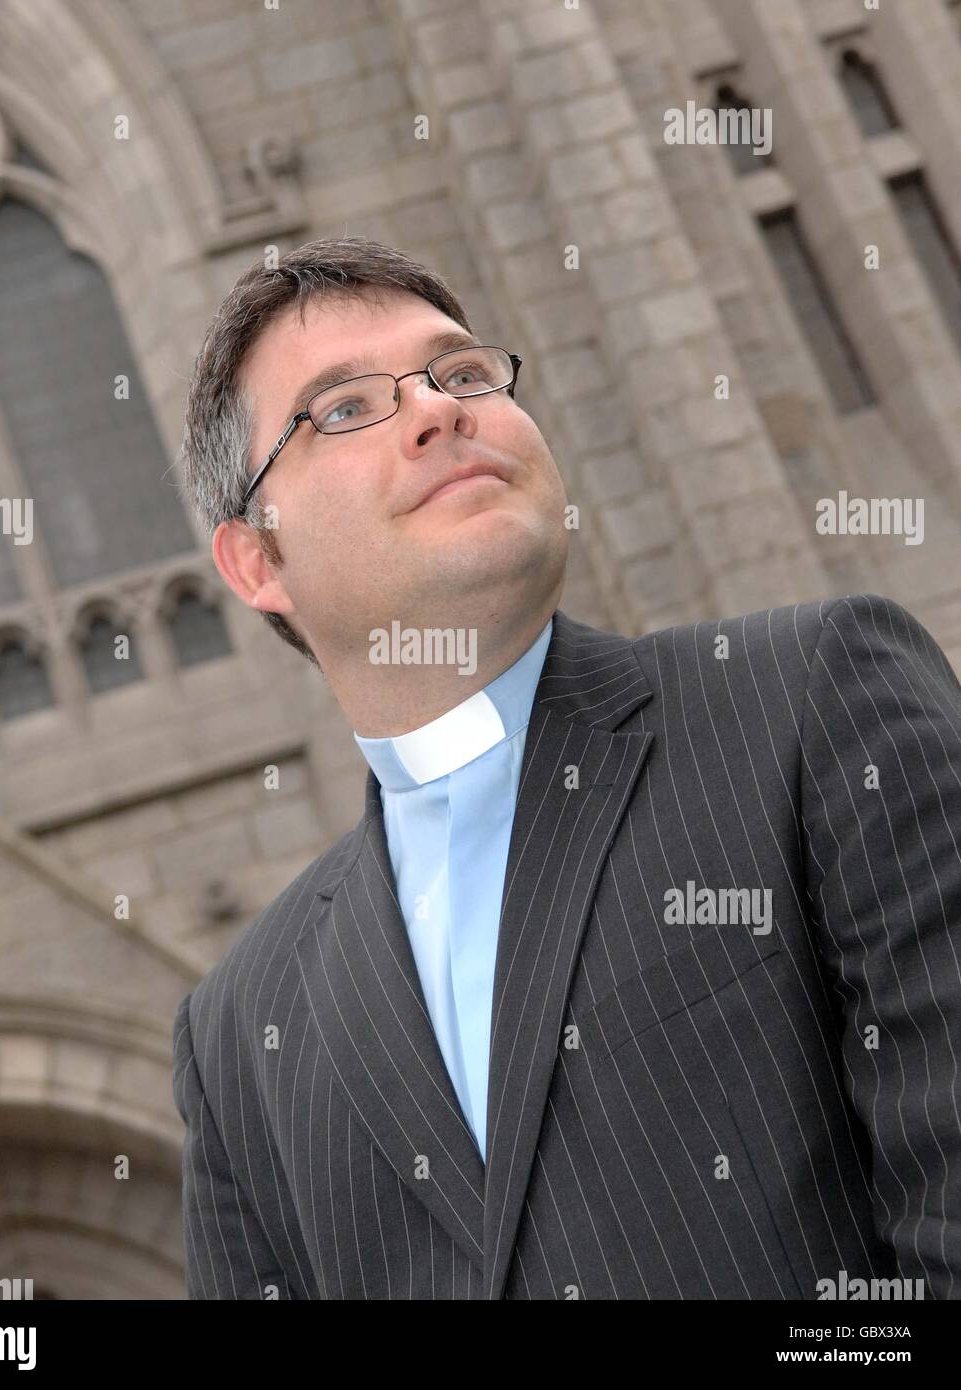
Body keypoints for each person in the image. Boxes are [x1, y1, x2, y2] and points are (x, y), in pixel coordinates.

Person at [172, 236, 961, 1300]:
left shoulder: (811, 703)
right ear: (256, 561)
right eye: (347, 408)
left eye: (460, 374)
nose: (438, 411)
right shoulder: (235, 1035)